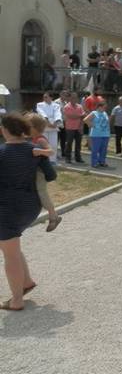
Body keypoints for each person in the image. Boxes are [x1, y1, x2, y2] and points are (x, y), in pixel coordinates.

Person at [0, 113, 57, 311]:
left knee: (11, 255)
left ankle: (16, 300)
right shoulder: (35, 150)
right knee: (12, 248)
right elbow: (51, 175)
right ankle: (26, 282)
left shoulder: (2, 152)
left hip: (7, 209)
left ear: (4, 130)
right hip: (31, 206)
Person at [25, 114, 62, 232]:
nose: (25, 128)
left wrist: (40, 151)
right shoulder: (31, 138)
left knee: (42, 193)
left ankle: (53, 216)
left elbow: (51, 151)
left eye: (28, 126)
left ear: (35, 127)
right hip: (33, 171)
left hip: (40, 172)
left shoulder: (40, 139)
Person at [35, 92, 62, 164]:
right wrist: (48, 123)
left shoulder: (56, 105)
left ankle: (52, 160)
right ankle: (43, 160)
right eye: (44, 97)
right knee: (43, 143)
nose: (44, 98)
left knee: (53, 144)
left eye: (46, 97)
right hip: (44, 125)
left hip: (54, 125)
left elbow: (57, 114)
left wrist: (55, 122)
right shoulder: (39, 104)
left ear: (51, 97)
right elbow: (41, 113)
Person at [84, 100, 110, 168]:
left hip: (105, 134)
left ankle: (102, 161)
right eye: (104, 107)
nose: (105, 109)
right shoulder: (94, 113)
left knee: (104, 149)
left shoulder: (105, 113)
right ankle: (94, 163)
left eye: (105, 108)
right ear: (99, 107)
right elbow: (86, 120)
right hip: (96, 134)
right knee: (95, 149)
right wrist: (92, 125)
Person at [62, 94, 85, 164]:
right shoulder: (67, 107)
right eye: (72, 98)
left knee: (78, 144)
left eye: (75, 98)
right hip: (70, 128)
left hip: (78, 127)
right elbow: (71, 116)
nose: (74, 99)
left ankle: (78, 157)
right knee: (69, 143)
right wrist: (80, 116)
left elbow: (83, 116)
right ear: (70, 99)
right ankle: (68, 158)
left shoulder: (80, 106)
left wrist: (81, 126)